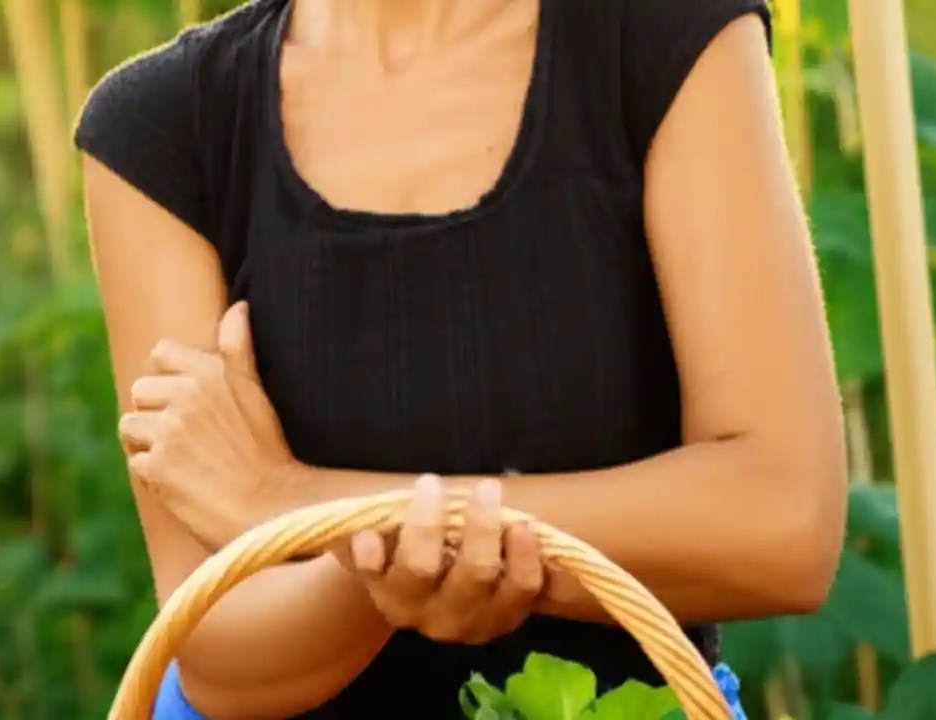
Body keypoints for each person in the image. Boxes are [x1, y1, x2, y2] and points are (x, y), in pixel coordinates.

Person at [75, 0, 847, 716]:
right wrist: (379, 577)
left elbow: (782, 522)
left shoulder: (661, 30)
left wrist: (289, 502)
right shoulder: (162, 128)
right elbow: (218, 658)